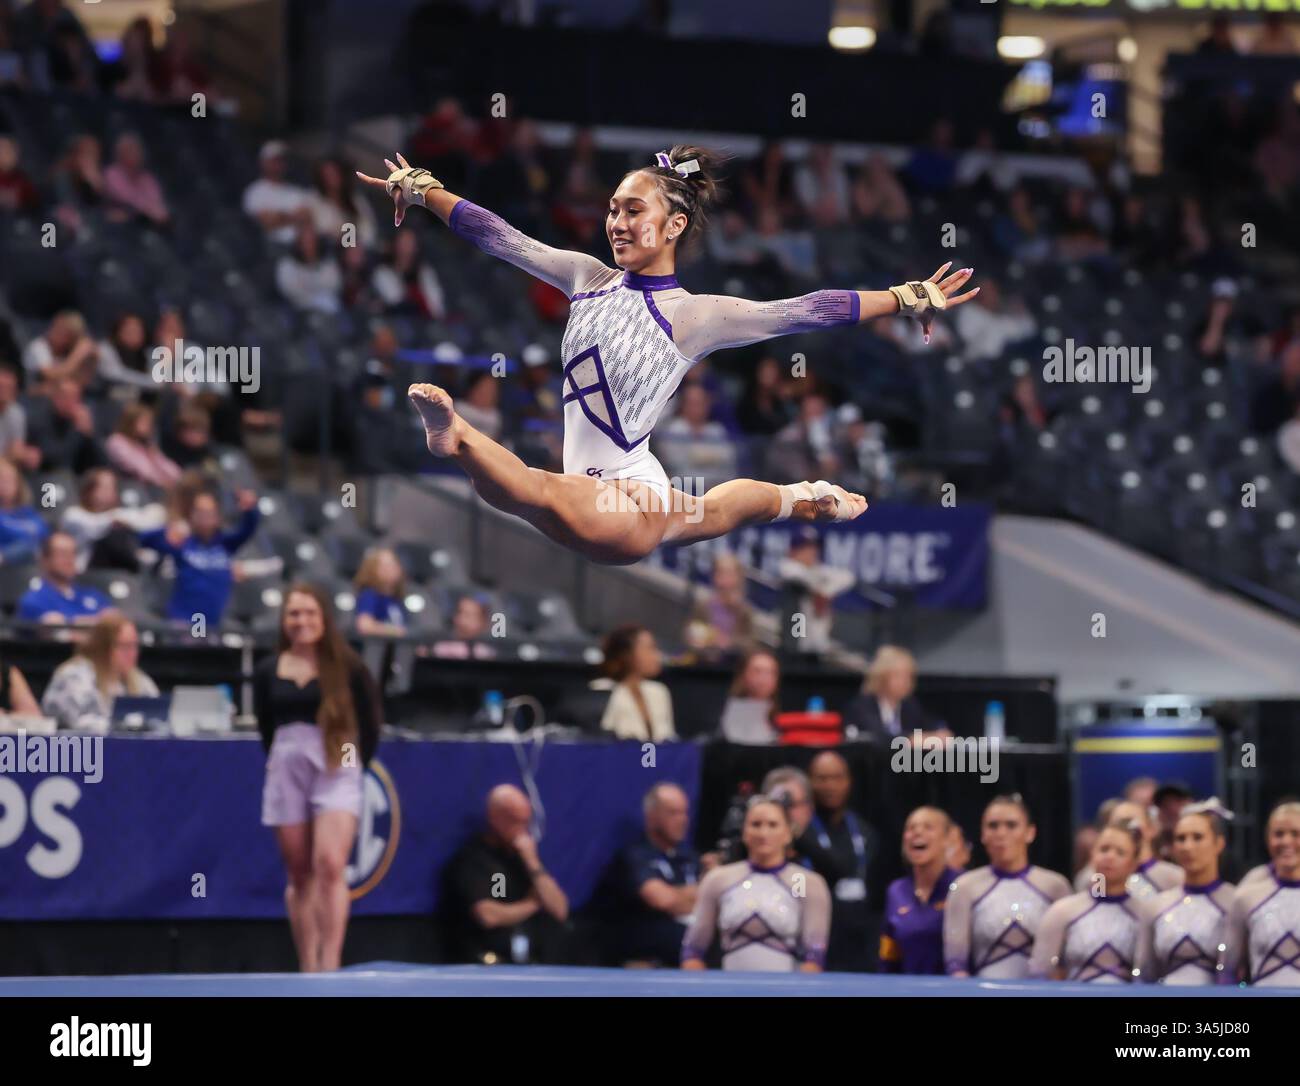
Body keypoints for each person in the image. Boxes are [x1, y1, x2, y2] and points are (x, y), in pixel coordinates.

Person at [357, 148, 977, 566]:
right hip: (598, 493)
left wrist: (903, 296)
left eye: (633, 211)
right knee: (719, 508)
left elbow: (805, 309)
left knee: (534, 492)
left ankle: (458, 438)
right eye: (611, 210)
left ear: (674, 225)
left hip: (628, 502)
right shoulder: (586, 277)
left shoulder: (696, 316)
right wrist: (427, 191)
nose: (616, 223)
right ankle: (804, 497)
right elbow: (501, 237)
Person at [255, 584, 383, 972]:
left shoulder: (349, 667)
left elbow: (370, 722)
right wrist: (281, 761)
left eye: (309, 613)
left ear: (324, 619)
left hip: (337, 760)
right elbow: (265, 724)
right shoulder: (267, 669)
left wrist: (352, 763)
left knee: (329, 863)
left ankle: (331, 961)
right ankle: (307, 963)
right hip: (288, 762)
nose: (301, 621)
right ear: (284, 621)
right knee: (299, 870)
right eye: (294, 614)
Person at [681, 794, 831, 972]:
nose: (763, 833)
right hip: (729, 989)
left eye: (773, 825)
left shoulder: (802, 882)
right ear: (744, 832)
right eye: (756, 824)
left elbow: (814, 956)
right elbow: (692, 951)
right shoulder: (719, 879)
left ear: (788, 833)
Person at [943, 795, 1072, 979]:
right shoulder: (964, 887)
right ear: (983, 834)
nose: (1001, 833)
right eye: (993, 826)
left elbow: (1066, 961)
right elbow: (955, 964)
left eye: (1011, 825)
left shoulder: (1055, 886)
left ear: (1030, 832)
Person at [442, 783, 569, 965]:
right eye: (516, 821)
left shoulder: (525, 858)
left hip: (532, 962)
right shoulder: (477, 861)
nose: (523, 830)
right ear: (495, 818)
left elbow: (560, 909)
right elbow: (490, 915)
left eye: (527, 822)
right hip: (488, 963)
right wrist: (533, 904)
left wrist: (533, 863)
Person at [1028, 820, 1147, 983]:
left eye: (1120, 852)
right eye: (1104, 849)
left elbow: (1148, 976)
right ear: (1093, 854)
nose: (1110, 857)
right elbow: (1039, 972)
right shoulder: (1063, 911)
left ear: (1134, 864)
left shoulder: (1144, 914)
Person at [1138, 801, 1235, 986]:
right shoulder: (1155, 907)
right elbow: (1143, 976)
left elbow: (1239, 972)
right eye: (1181, 839)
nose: (1187, 846)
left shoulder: (1236, 902)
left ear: (1219, 844)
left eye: (1197, 837)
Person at [806, 749, 883, 972]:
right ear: (810, 782)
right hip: (818, 936)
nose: (830, 785)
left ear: (848, 781)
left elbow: (870, 884)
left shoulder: (864, 832)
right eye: (822, 778)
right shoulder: (803, 834)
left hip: (860, 938)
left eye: (837, 777)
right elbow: (798, 886)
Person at [139, 487, 261, 627]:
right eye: (200, 512)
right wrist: (166, 532)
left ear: (217, 516)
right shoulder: (183, 542)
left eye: (209, 512)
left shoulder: (225, 544)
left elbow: (247, 530)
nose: (205, 517)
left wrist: (250, 510)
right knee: (193, 643)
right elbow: (143, 539)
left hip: (215, 621)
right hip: (185, 619)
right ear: (192, 515)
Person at [614, 782, 700, 967]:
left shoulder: (688, 856)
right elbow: (662, 900)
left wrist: (678, 895)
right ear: (652, 817)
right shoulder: (635, 856)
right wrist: (694, 895)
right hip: (648, 939)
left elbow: (710, 900)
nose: (683, 819)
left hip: (687, 931)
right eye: (673, 813)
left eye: (684, 812)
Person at [1221, 800, 1300, 987]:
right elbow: (1228, 969)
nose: (1286, 841)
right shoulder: (1247, 896)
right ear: (1268, 840)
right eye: (1279, 834)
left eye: (1296, 834)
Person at [40, 614, 158, 731]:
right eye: (125, 646)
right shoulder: (74, 675)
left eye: (135, 645)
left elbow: (158, 717)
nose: (132, 653)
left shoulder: (138, 679)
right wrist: (119, 726)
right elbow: (73, 722)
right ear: (103, 647)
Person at [879, 806, 961, 975]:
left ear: (947, 839)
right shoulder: (896, 890)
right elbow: (889, 953)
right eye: (911, 828)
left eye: (928, 827)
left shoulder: (963, 885)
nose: (917, 832)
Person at [61, 467, 166, 572]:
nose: (110, 492)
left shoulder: (117, 514)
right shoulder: (73, 515)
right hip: (81, 570)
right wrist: (117, 519)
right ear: (89, 490)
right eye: (105, 487)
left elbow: (144, 521)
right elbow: (94, 527)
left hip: (110, 569)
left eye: (112, 487)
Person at [1073, 800, 1183, 899]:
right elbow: (1098, 910)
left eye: (1131, 822)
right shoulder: (1095, 876)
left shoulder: (1174, 877)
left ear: (1151, 829)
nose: (1125, 829)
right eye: (1118, 823)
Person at [777, 525, 855, 654]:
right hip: (794, 642)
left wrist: (825, 592)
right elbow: (796, 575)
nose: (812, 552)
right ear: (793, 550)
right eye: (805, 548)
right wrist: (820, 588)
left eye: (814, 547)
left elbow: (848, 577)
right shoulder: (787, 567)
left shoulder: (819, 571)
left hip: (815, 646)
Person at [591, 623, 675, 741]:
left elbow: (669, 741)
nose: (657, 656)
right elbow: (601, 742)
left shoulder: (659, 692)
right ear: (627, 655)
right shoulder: (603, 691)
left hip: (656, 759)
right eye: (650, 648)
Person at [842, 645, 935, 744]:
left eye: (909, 676)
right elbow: (877, 737)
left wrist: (937, 735)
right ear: (881, 677)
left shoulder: (910, 706)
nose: (905, 682)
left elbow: (931, 726)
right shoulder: (863, 706)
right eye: (898, 676)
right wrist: (910, 739)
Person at [17, 531, 112, 624]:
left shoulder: (92, 594)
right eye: (63, 554)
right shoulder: (34, 600)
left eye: (73, 553)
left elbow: (113, 620)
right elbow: (54, 630)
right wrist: (98, 622)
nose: (70, 559)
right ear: (45, 560)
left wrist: (69, 621)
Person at [24, 378, 107, 474]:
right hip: (45, 478)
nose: (71, 401)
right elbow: (55, 459)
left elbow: (103, 462)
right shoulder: (39, 419)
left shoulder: (82, 421)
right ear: (55, 397)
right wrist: (75, 435)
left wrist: (90, 434)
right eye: (66, 396)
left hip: (75, 480)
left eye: (75, 397)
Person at [684, 552, 755, 661]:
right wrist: (703, 639)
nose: (724, 577)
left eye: (729, 573)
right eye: (720, 572)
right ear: (714, 576)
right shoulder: (703, 606)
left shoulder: (744, 610)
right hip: (704, 662)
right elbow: (689, 635)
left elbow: (750, 643)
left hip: (733, 665)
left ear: (739, 577)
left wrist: (727, 642)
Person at [243, 141, 310, 245]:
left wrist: (279, 217)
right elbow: (267, 222)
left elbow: (306, 217)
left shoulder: (295, 190)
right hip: (271, 246)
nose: (278, 164)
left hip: (299, 245)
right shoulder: (254, 191)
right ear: (263, 162)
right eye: (274, 160)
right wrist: (294, 216)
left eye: (281, 160)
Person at [105, 403, 182, 488]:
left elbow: (169, 467)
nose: (149, 426)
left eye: (150, 423)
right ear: (130, 422)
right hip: (130, 487)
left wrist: (179, 480)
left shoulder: (146, 445)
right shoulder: (116, 441)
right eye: (144, 422)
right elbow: (142, 470)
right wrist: (163, 481)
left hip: (156, 487)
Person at [718, 647, 780, 744]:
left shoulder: (780, 718)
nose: (764, 679)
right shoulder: (724, 711)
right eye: (757, 671)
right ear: (743, 675)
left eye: (770, 672)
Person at [0, 457, 48, 566]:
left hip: (33, 566)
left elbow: (44, 536)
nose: (6, 485)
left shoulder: (29, 513)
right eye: (1, 480)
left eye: (10, 480)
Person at [352, 547, 408, 636]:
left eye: (394, 564)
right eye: (385, 566)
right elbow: (365, 626)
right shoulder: (369, 595)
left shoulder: (397, 599)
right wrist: (395, 631)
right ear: (372, 570)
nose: (391, 569)